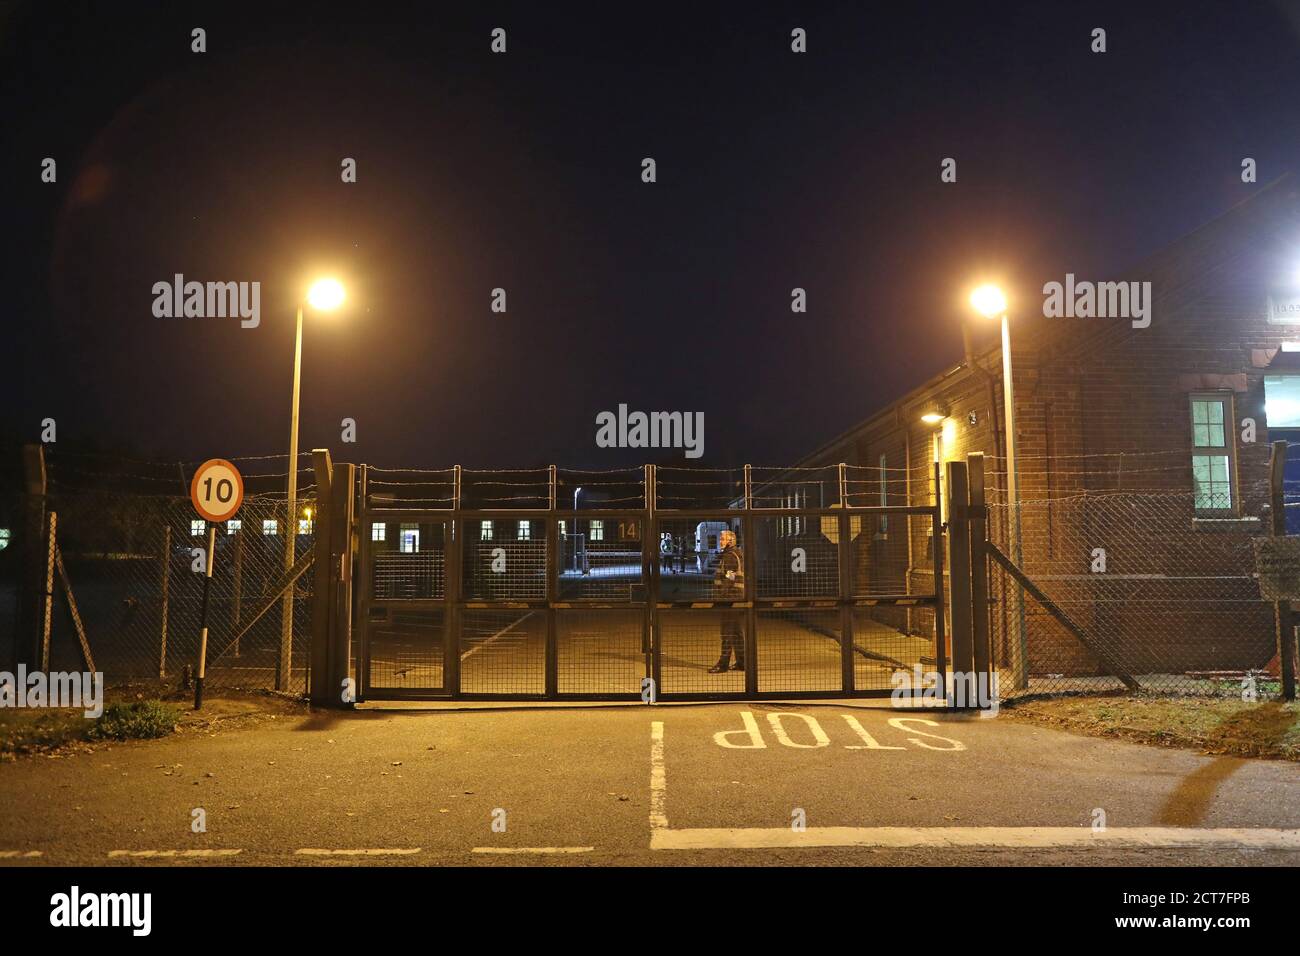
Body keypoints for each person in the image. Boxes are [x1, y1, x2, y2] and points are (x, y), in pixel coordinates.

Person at [707, 529, 746, 673]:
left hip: (730, 598)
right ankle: (742, 662)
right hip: (736, 597)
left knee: (727, 632)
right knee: (736, 632)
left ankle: (723, 664)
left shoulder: (730, 556)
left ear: (730, 541)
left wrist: (721, 595)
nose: (720, 541)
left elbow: (730, 578)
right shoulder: (736, 554)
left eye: (722, 539)